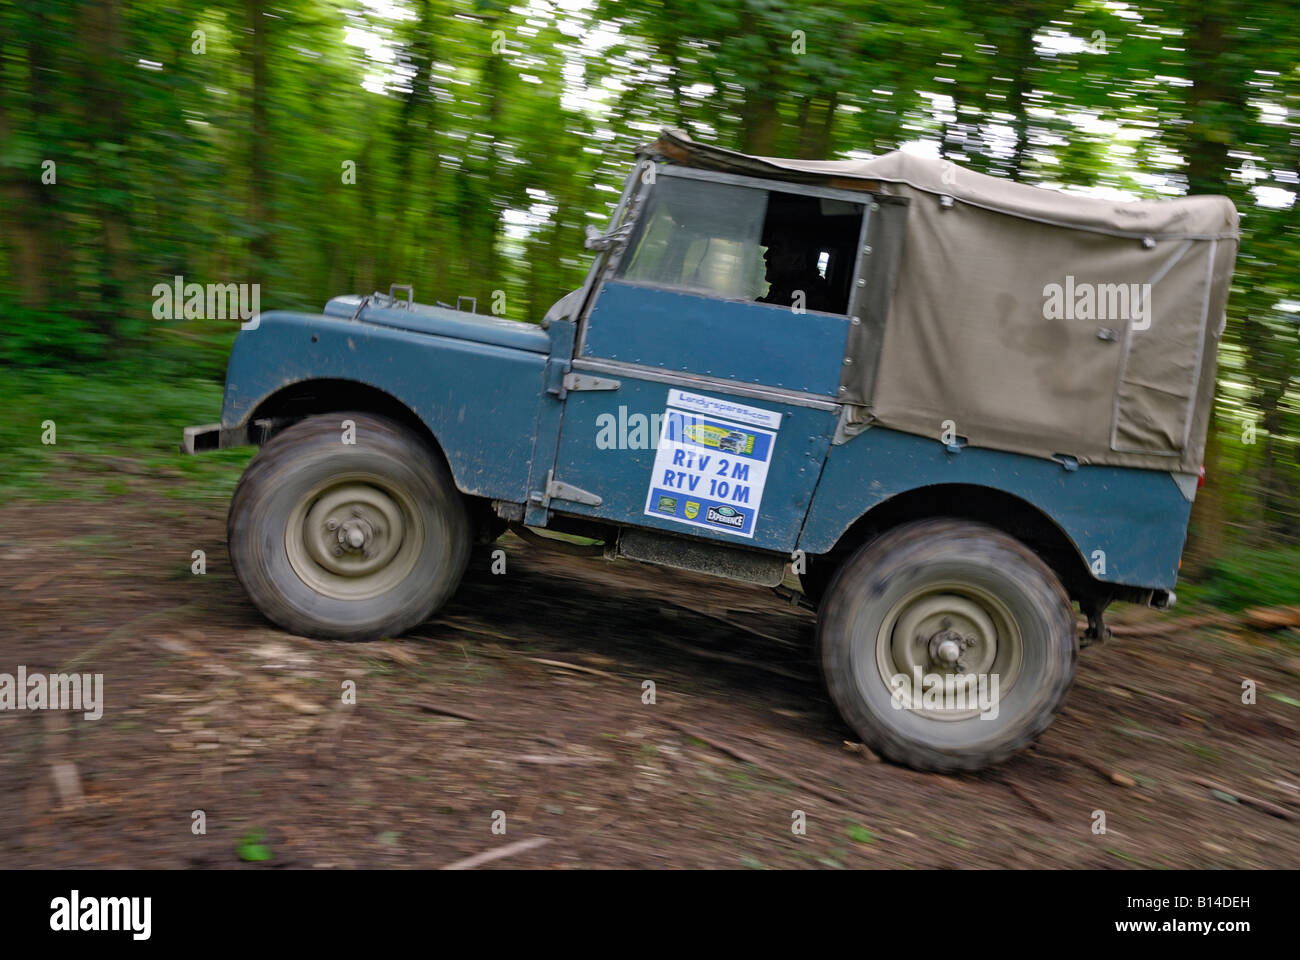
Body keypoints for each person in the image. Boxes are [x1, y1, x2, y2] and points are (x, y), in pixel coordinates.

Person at [755, 234, 835, 312]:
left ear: (797, 260)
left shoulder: (803, 297)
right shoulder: (784, 290)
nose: (765, 255)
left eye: (775, 249)